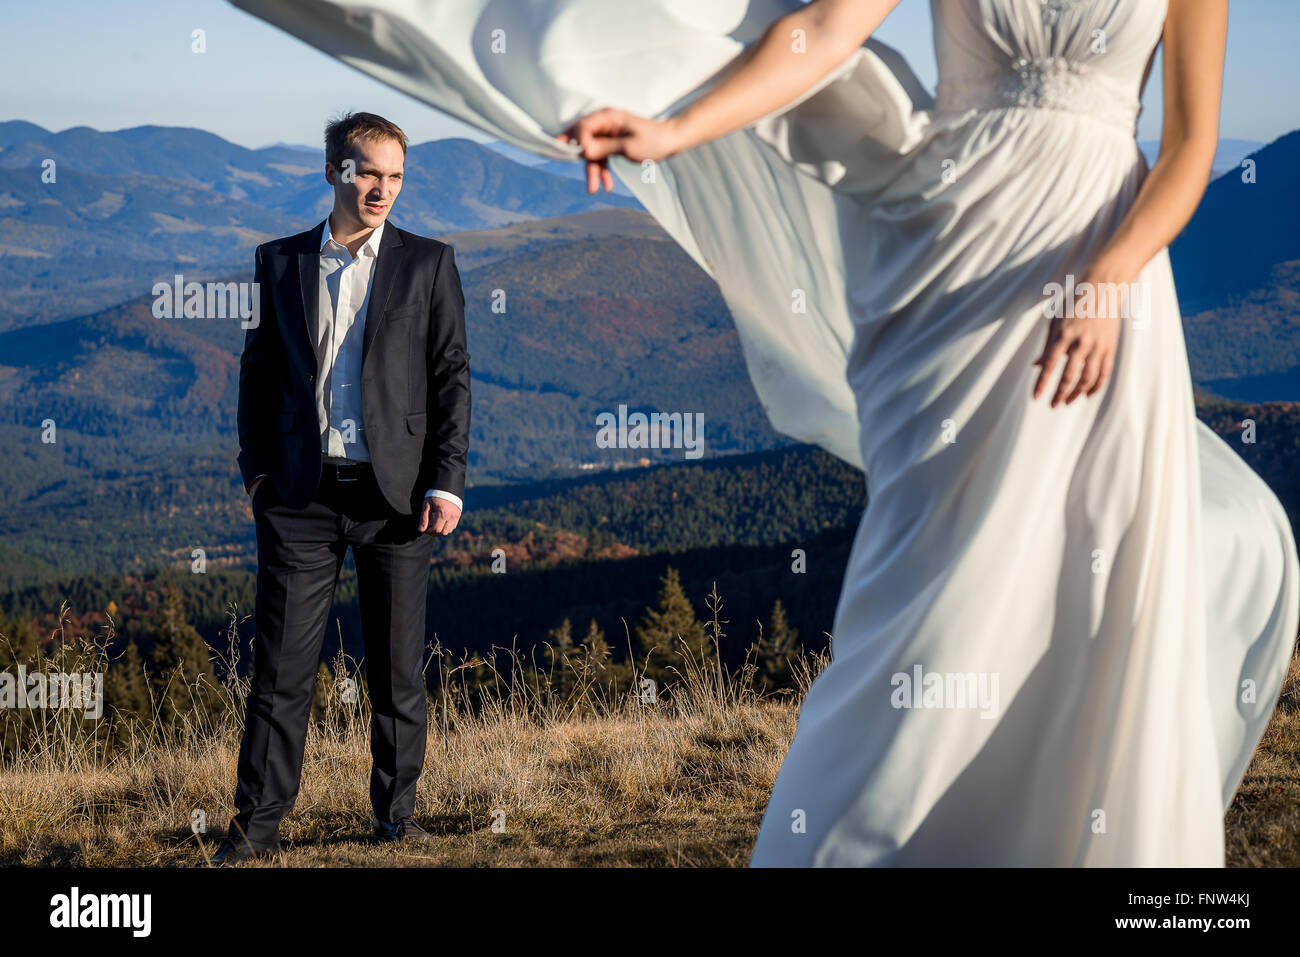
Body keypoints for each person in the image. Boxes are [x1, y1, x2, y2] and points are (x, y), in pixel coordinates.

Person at [232, 0, 1298, 865]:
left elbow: (1191, 144)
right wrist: (673, 130)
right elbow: (820, 32)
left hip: (1109, 272)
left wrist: (1107, 281)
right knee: (934, 584)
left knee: (1098, 572)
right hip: (951, 263)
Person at [209, 111, 470, 865]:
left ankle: (396, 819)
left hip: (398, 500)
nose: (382, 188)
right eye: (368, 173)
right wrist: (256, 473)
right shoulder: (280, 262)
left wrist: (446, 482)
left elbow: (452, 379)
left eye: (394, 175)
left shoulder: (429, 263)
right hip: (298, 498)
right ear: (335, 172)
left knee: (396, 670)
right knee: (280, 674)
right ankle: (255, 832)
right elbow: (257, 374)